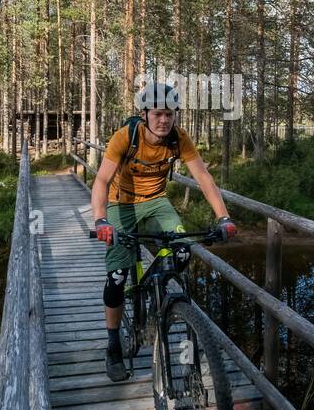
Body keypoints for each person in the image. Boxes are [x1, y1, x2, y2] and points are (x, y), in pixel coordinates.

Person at [91, 80, 237, 381]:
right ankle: (113, 344)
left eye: (170, 114)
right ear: (144, 114)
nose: (164, 120)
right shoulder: (125, 137)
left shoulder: (179, 138)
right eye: (158, 113)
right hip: (121, 205)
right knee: (117, 276)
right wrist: (101, 220)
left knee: (182, 250)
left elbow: (204, 177)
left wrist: (224, 217)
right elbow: (102, 181)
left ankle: (160, 297)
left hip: (157, 203)